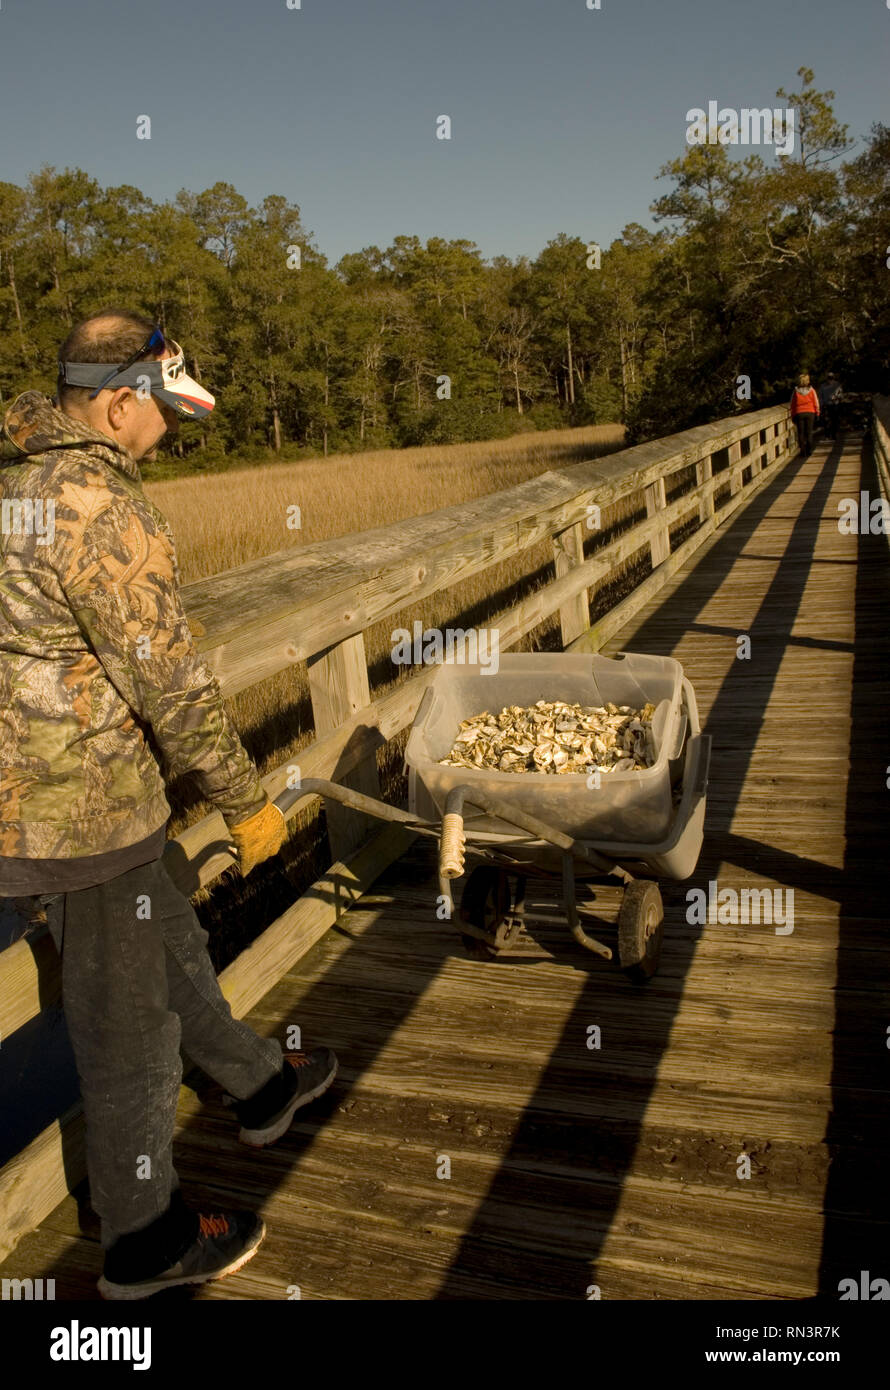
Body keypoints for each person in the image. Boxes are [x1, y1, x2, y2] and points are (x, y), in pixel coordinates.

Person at [0, 309, 338, 1300]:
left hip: (58, 799)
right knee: (130, 1034)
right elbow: (171, 684)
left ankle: (261, 1082)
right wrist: (245, 799)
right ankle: (143, 1238)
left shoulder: (15, 477)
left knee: (174, 946)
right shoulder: (102, 510)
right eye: (163, 415)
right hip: (81, 817)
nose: (170, 432)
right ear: (116, 403)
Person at [789, 372, 820, 459]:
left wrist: (792, 414)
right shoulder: (812, 390)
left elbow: (792, 404)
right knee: (809, 432)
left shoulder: (796, 391)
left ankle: (802, 451)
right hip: (810, 412)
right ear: (807, 381)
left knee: (801, 433)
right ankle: (809, 450)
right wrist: (817, 412)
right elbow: (816, 402)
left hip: (799, 413)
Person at [819, 371, 843, 439]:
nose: (830, 379)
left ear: (833, 378)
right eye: (829, 378)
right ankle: (827, 435)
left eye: (831, 378)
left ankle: (834, 435)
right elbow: (820, 397)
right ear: (826, 378)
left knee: (834, 420)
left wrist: (835, 397)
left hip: (835, 405)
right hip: (826, 406)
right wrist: (821, 405)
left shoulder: (837, 385)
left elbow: (841, 395)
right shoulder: (822, 386)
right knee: (826, 421)